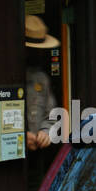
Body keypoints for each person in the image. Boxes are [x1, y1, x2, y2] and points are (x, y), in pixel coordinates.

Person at [25, 14, 59, 151]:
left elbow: (51, 115)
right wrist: (19, 136)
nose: (38, 54)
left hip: (37, 156)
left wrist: (45, 133)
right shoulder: (4, 76)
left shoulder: (41, 79)